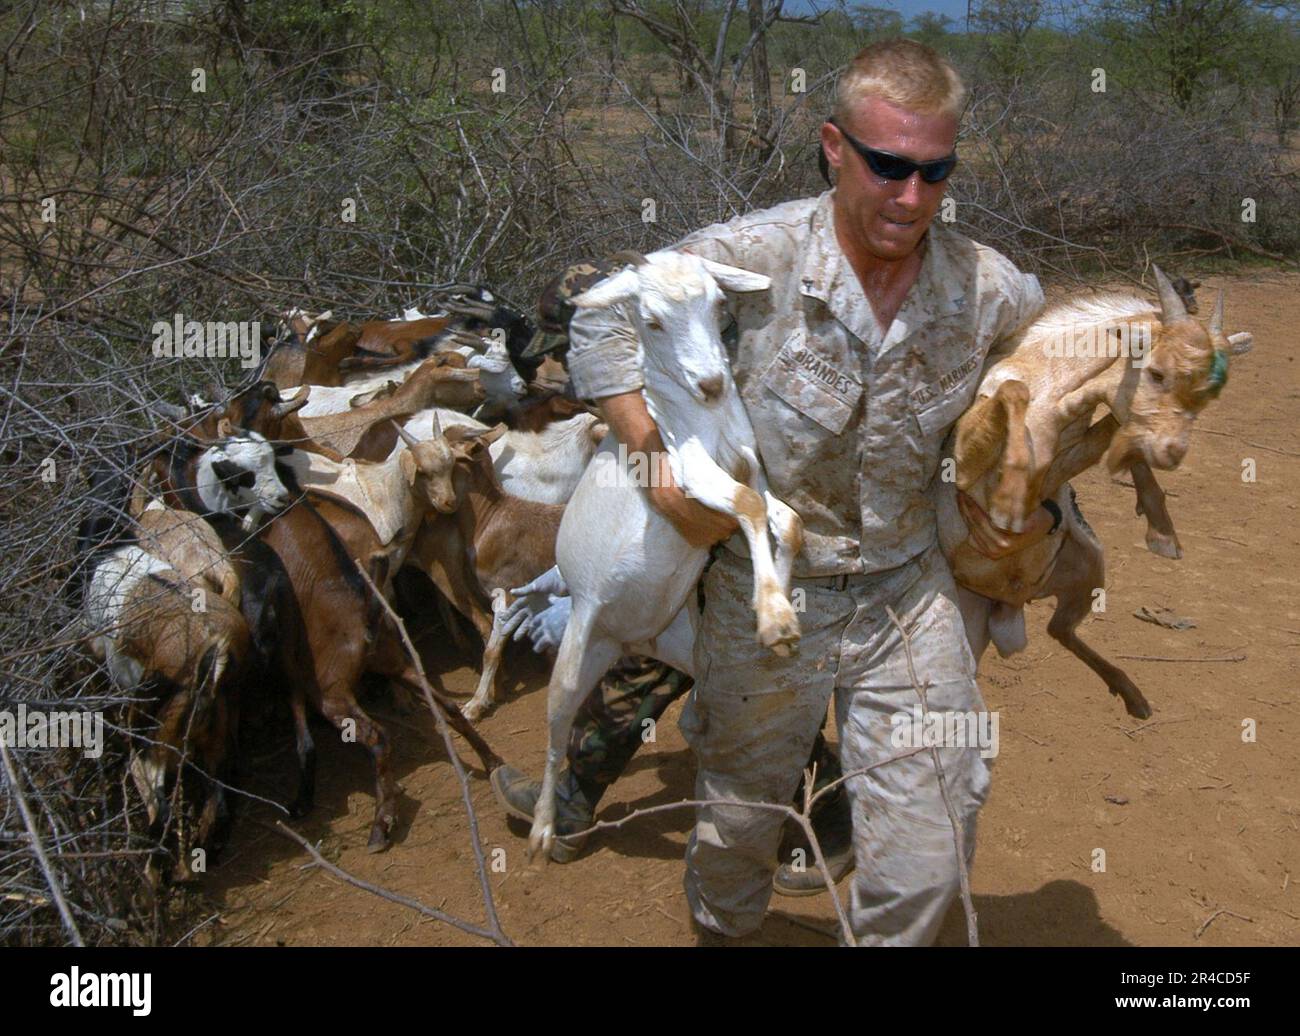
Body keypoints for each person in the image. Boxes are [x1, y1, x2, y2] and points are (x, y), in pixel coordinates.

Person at [507, 37, 1055, 945]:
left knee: (933, 836)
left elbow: (1044, 366)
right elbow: (602, 326)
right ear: (835, 147)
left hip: (905, 589)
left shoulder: (988, 286)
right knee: (737, 824)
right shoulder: (750, 258)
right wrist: (655, 465)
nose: (912, 197)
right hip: (766, 594)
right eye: (887, 167)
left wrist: (1031, 490)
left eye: (935, 172)